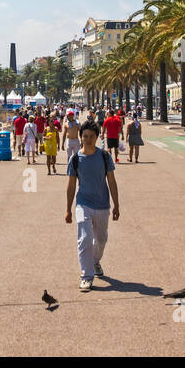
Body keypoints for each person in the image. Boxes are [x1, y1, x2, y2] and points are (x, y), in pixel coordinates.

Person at [64, 122, 120, 292]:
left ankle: (95, 262)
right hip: (83, 203)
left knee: (101, 239)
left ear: (96, 138)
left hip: (103, 204)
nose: (88, 140)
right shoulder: (75, 159)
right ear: (81, 137)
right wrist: (68, 208)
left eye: (91, 137)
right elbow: (71, 185)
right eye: (85, 136)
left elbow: (111, 181)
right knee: (85, 238)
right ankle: (86, 277)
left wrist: (117, 205)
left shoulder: (104, 156)